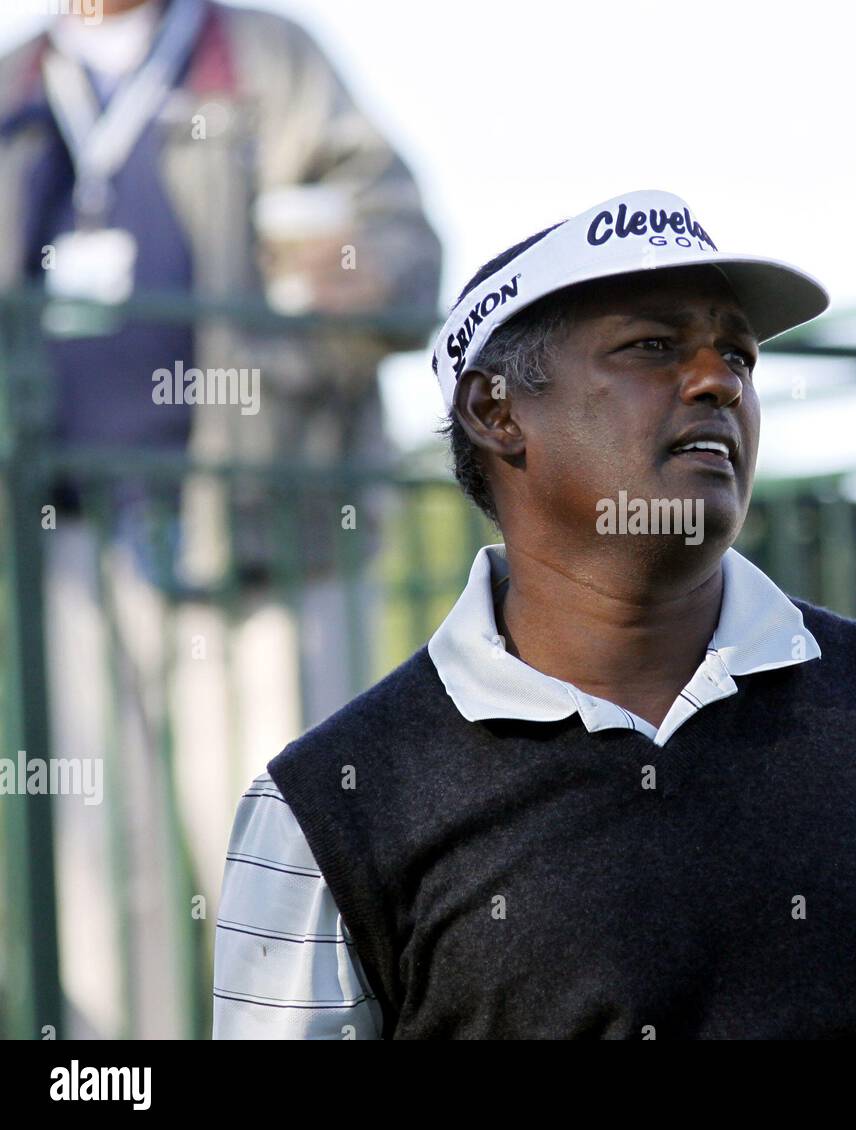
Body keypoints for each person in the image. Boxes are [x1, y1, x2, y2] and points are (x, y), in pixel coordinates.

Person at [212, 188, 856, 1039]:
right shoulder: (331, 804)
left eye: (739, 357)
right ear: (496, 410)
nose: (718, 381)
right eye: (650, 347)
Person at [0, 0, 442, 1037]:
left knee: (292, 877)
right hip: (69, 543)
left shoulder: (262, 56)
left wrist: (340, 277)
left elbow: (403, 256)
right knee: (102, 881)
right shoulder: (18, 87)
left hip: (262, 540)